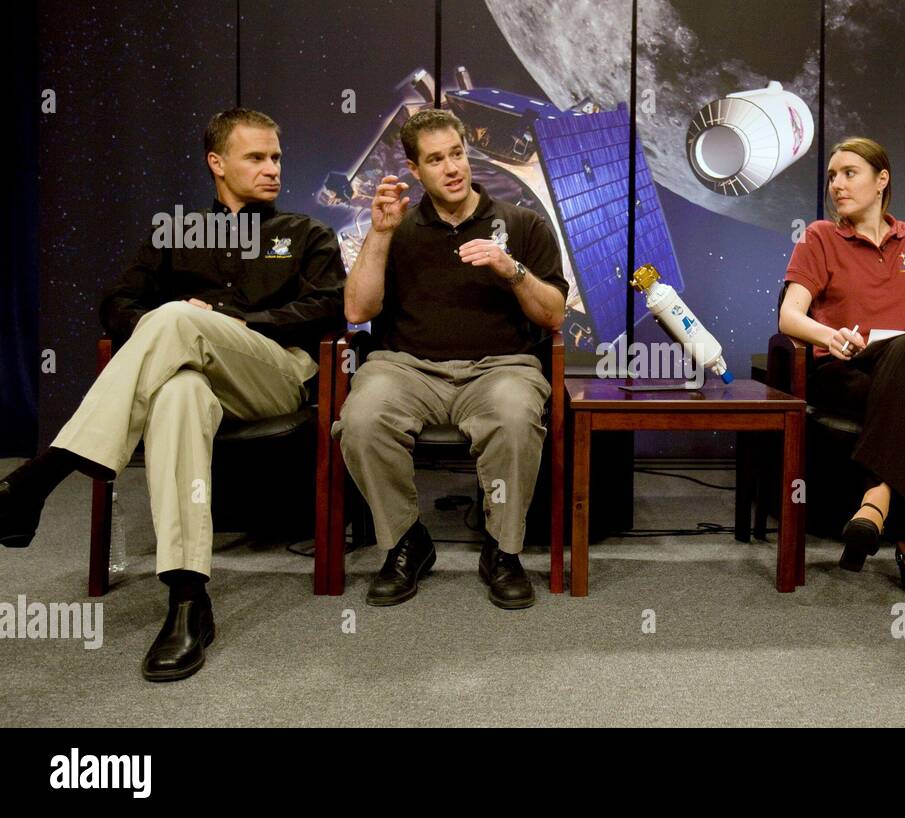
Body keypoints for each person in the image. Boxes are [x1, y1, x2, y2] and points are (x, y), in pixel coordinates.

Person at [0, 108, 347, 679]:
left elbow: (327, 308)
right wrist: (176, 322)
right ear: (217, 163)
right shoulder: (177, 232)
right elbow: (117, 304)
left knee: (174, 320)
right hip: (197, 377)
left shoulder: (305, 233)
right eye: (255, 157)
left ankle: (40, 477)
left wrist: (227, 317)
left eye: (276, 157)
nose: (272, 169)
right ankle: (188, 600)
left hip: (274, 375)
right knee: (178, 394)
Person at [336, 108, 566, 611]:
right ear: (416, 171)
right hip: (406, 367)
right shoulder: (395, 229)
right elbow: (357, 309)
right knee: (361, 419)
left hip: (500, 367)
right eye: (436, 160)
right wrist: (378, 234)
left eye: (458, 154)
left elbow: (552, 317)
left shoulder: (523, 224)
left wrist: (512, 270)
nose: (452, 168)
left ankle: (503, 551)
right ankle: (405, 542)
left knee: (513, 418)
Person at [780, 137, 905, 604]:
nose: (836, 185)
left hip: (901, 370)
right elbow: (790, 316)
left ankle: (877, 502)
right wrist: (831, 336)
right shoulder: (819, 236)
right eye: (831, 177)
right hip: (844, 369)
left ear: (881, 180)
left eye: (849, 173)